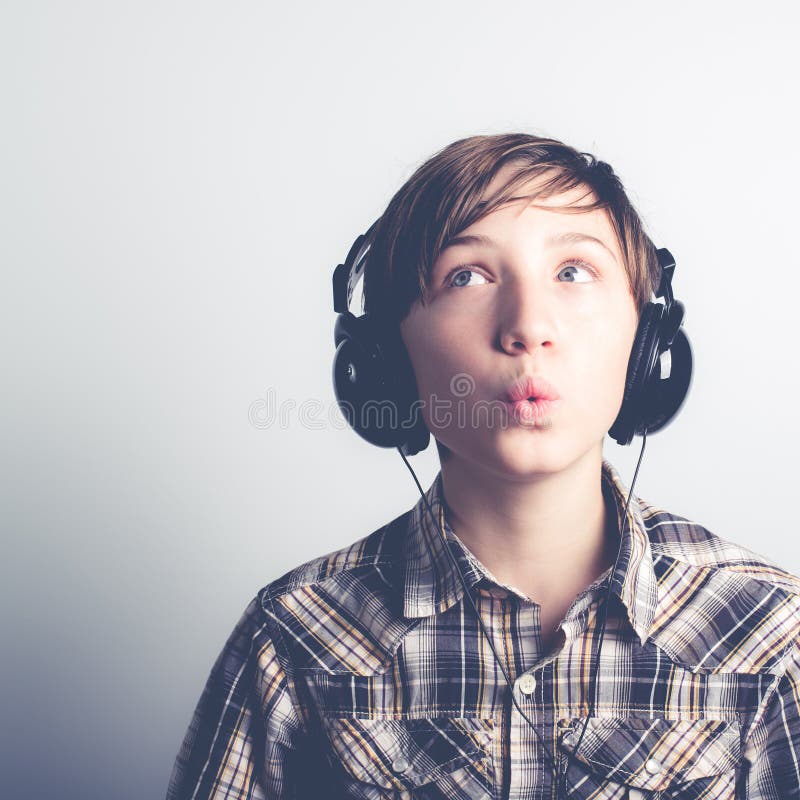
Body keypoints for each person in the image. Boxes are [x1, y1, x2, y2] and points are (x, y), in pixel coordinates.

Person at [166, 134, 800, 799]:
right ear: (385, 358)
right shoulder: (294, 640)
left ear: (647, 342)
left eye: (573, 271)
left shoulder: (770, 630)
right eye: (465, 275)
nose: (527, 326)